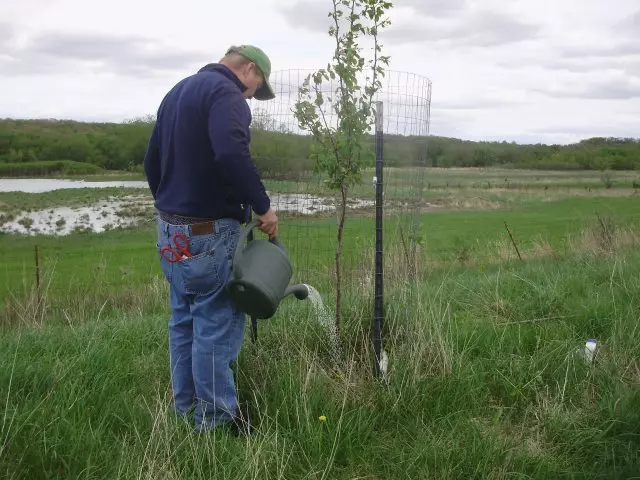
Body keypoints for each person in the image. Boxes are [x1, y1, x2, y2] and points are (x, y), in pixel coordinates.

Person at [143, 45, 278, 434]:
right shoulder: (227, 95)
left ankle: (186, 412)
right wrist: (262, 207)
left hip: (171, 229)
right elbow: (231, 154)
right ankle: (216, 423)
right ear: (248, 70)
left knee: (184, 320)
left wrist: (171, 205)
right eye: (256, 88)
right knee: (216, 327)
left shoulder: (178, 91)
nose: (251, 95)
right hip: (208, 232)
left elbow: (152, 159)